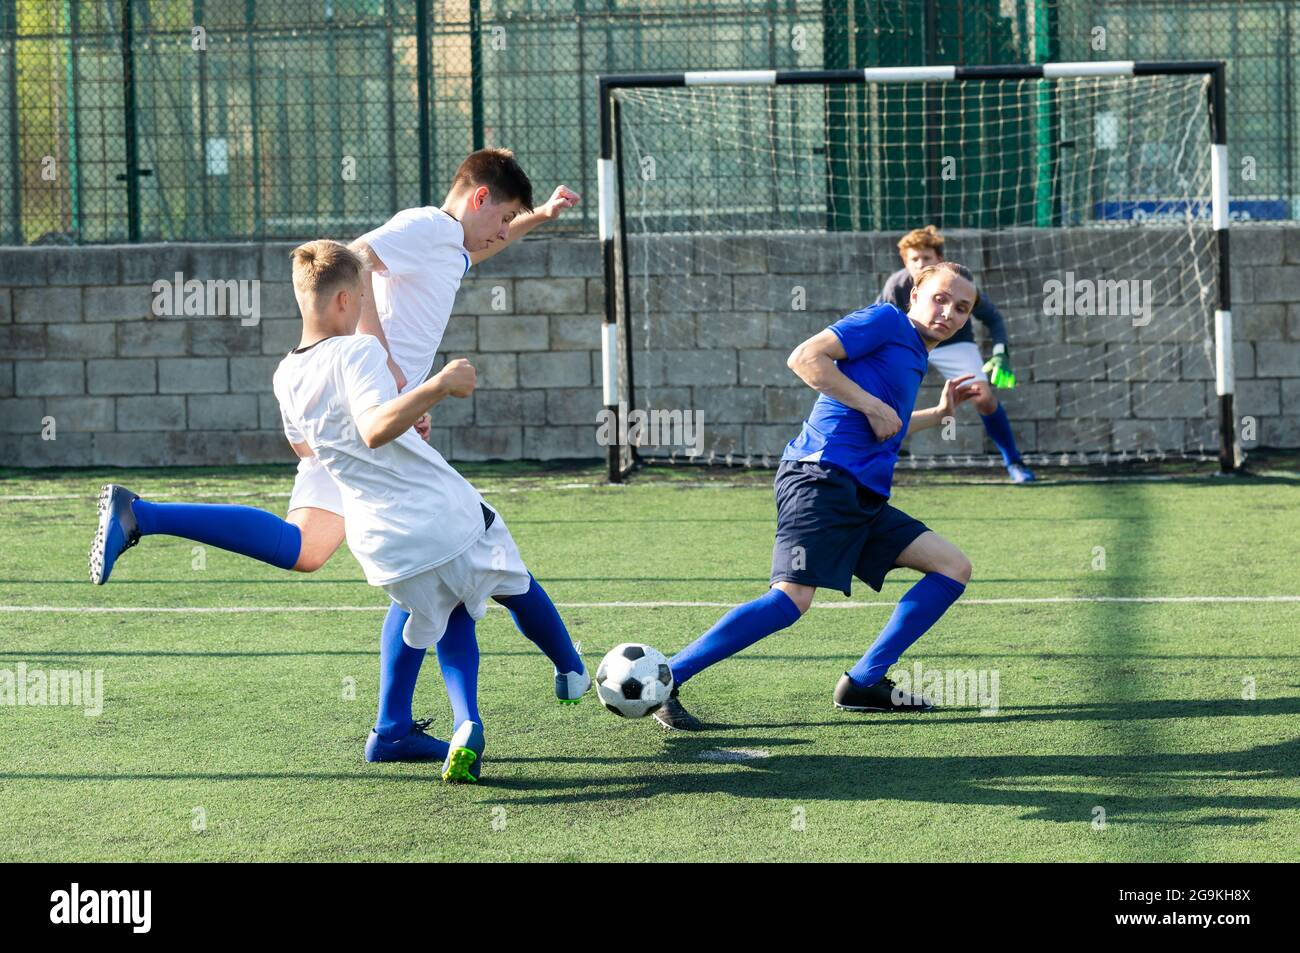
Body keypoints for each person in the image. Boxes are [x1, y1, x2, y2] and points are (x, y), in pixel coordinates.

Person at [653, 262, 979, 730]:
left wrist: (941, 411)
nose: (948, 312)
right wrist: (870, 404)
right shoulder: (886, 321)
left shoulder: (913, 353)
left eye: (961, 308)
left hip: (861, 496)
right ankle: (668, 677)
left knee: (953, 566)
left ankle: (865, 682)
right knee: (790, 601)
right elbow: (805, 357)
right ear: (914, 295)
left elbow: (888, 424)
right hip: (820, 478)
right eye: (940, 298)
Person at [878, 225, 1034, 483]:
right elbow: (880, 322)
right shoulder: (895, 286)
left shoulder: (960, 285)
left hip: (955, 345)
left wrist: (1000, 352)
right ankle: (880, 459)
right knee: (885, 396)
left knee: (983, 398)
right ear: (905, 262)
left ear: (939, 259)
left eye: (926, 258)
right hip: (911, 344)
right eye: (913, 259)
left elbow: (993, 318)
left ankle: (1014, 462)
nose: (919, 264)